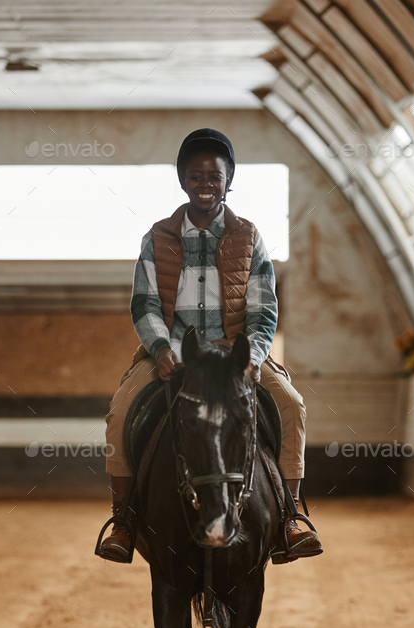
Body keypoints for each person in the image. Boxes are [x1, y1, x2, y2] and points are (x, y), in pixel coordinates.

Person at [98, 128, 322, 564]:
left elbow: (264, 311)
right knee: (119, 412)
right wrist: (160, 349)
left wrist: (254, 358)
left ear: (228, 180)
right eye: (196, 176)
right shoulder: (157, 237)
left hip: (235, 354)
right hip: (174, 352)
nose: (205, 184)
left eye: (214, 176)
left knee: (292, 405)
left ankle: (290, 517)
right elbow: (143, 305)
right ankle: (123, 520)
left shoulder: (249, 237)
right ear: (183, 181)